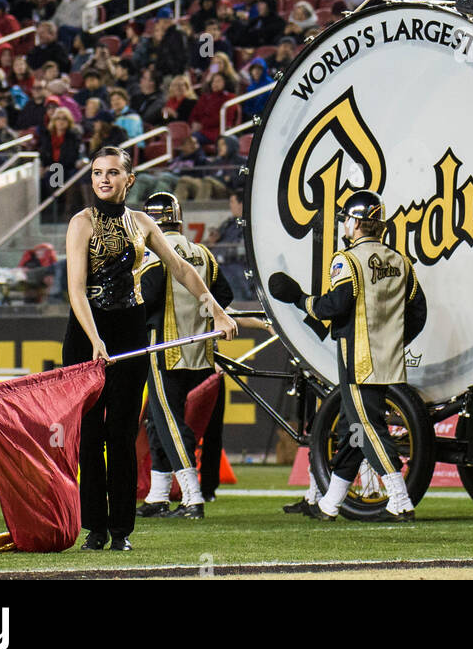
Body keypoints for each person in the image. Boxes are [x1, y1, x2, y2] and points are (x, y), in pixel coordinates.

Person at [62, 147, 237, 552]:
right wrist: (95, 340)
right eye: (97, 173)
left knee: (122, 432)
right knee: (91, 432)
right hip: (87, 331)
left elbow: (181, 268)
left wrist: (216, 311)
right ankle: (95, 528)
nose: (103, 179)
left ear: (130, 179)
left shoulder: (142, 222)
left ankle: (121, 530)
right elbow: (76, 289)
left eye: (112, 173)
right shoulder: (80, 222)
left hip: (130, 328)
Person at [270, 190, 427, 522]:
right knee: (351, 431)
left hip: (357, 359)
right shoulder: (400, 261)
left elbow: (336, 305)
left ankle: (400, 499)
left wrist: (301, 300)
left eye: (346, 219)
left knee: (367, 427)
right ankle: (330, 503)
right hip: (388, 360)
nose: (344, 224)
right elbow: (418, 312)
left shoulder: (347, 260)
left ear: (356, 223)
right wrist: (393, 340)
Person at [136, 193, 269, 521]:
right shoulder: (203, 253)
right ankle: (158, 495)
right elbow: (223, 297)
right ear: (179, 221)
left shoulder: (153, 254)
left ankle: (192, 497)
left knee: (168, 422)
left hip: (164, 349)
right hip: (200, 352)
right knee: (158, 422)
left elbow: (146, 297)